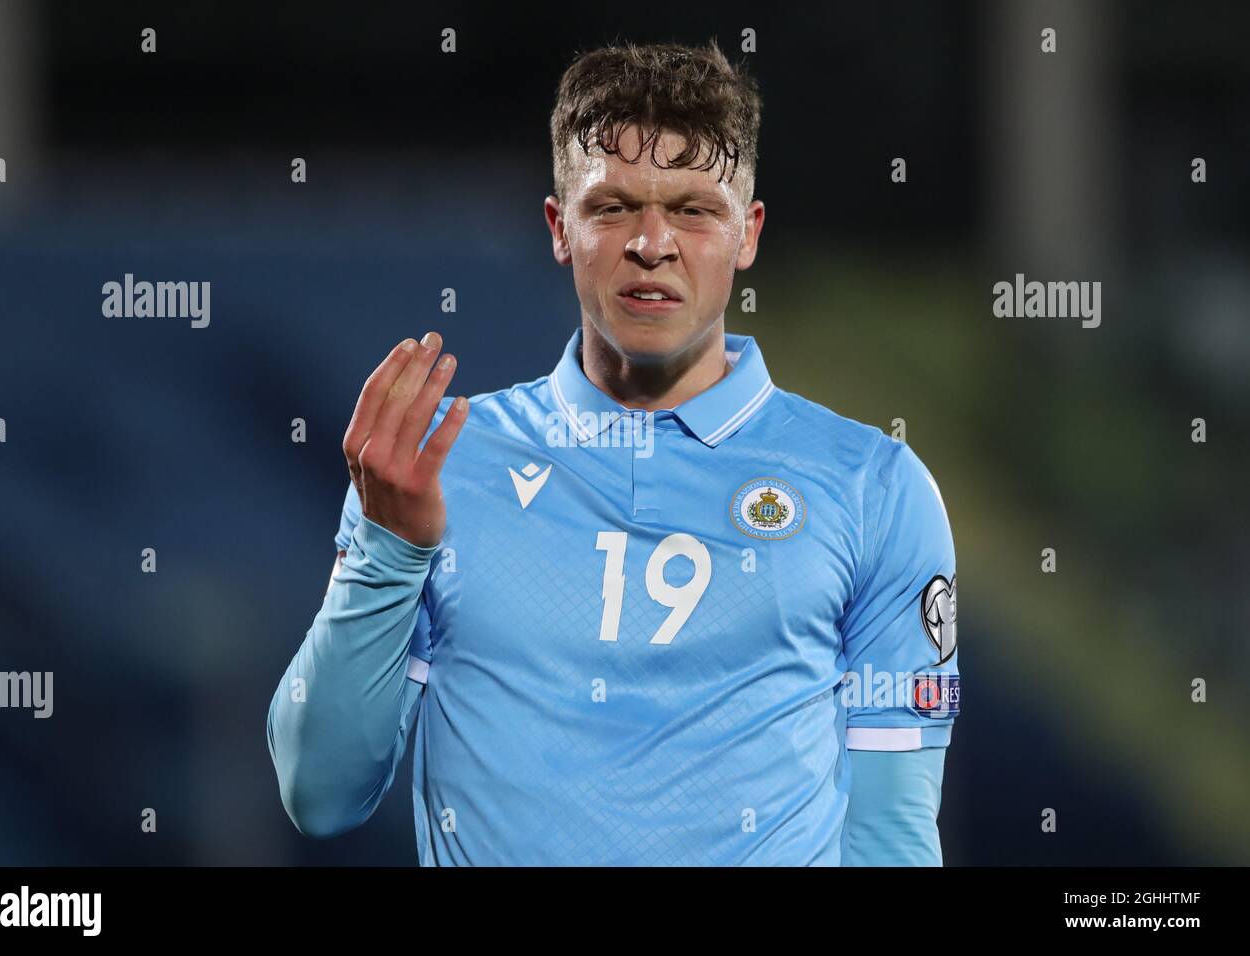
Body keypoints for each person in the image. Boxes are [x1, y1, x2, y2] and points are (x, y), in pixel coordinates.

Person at [267, 39, 958, 865]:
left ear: (748, 233)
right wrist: (388, 548)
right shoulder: (437, 465)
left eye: (695, 209)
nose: (652, 243)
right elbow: (320, 791)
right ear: (561, 229)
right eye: (614, 207)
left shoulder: (873, 488)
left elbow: (891, 838)